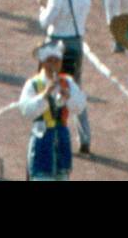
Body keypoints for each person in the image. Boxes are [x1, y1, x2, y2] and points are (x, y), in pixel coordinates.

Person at [38, 0, 93, 154]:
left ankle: (54, 134)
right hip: (77, 44)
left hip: (58, 46)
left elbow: (45, 22)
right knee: (75, 89)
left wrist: (41, 8)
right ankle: (85, 136)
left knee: (54, 89)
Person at [17, 41, 88, 180]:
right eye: (50, 61)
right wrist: (44, 95)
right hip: (41, 144)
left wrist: (69, 97)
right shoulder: (33, 84)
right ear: (43, 63)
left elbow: (80, 106)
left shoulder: (67, 82)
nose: (53, 65)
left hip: (61, 142)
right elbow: (26, 110)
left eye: (57, 61)